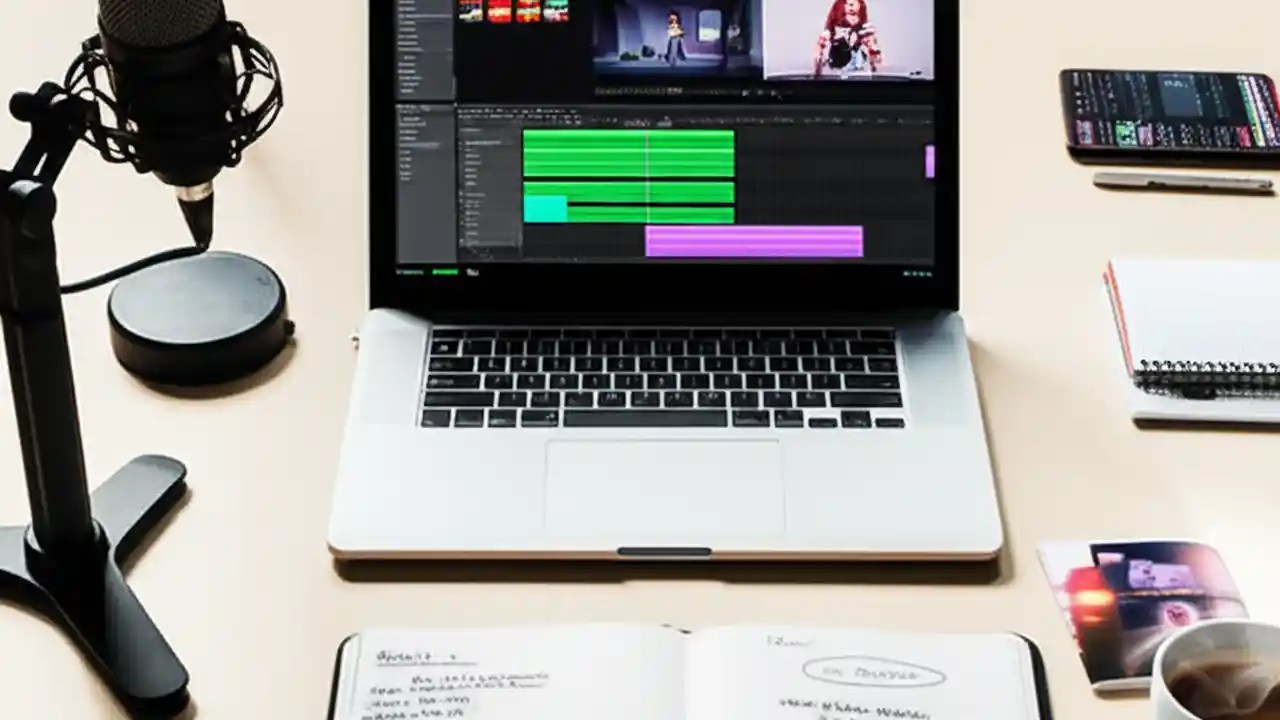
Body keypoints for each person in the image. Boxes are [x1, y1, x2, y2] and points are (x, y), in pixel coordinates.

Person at [813, 0, 882, 78]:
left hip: (858, 76)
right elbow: (819, 51)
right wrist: (818, 65)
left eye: (854, 15)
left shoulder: (864, 31)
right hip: (835, 72)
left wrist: (874, 54)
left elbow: (876, 57)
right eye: (848, 15)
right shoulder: (831, 33)